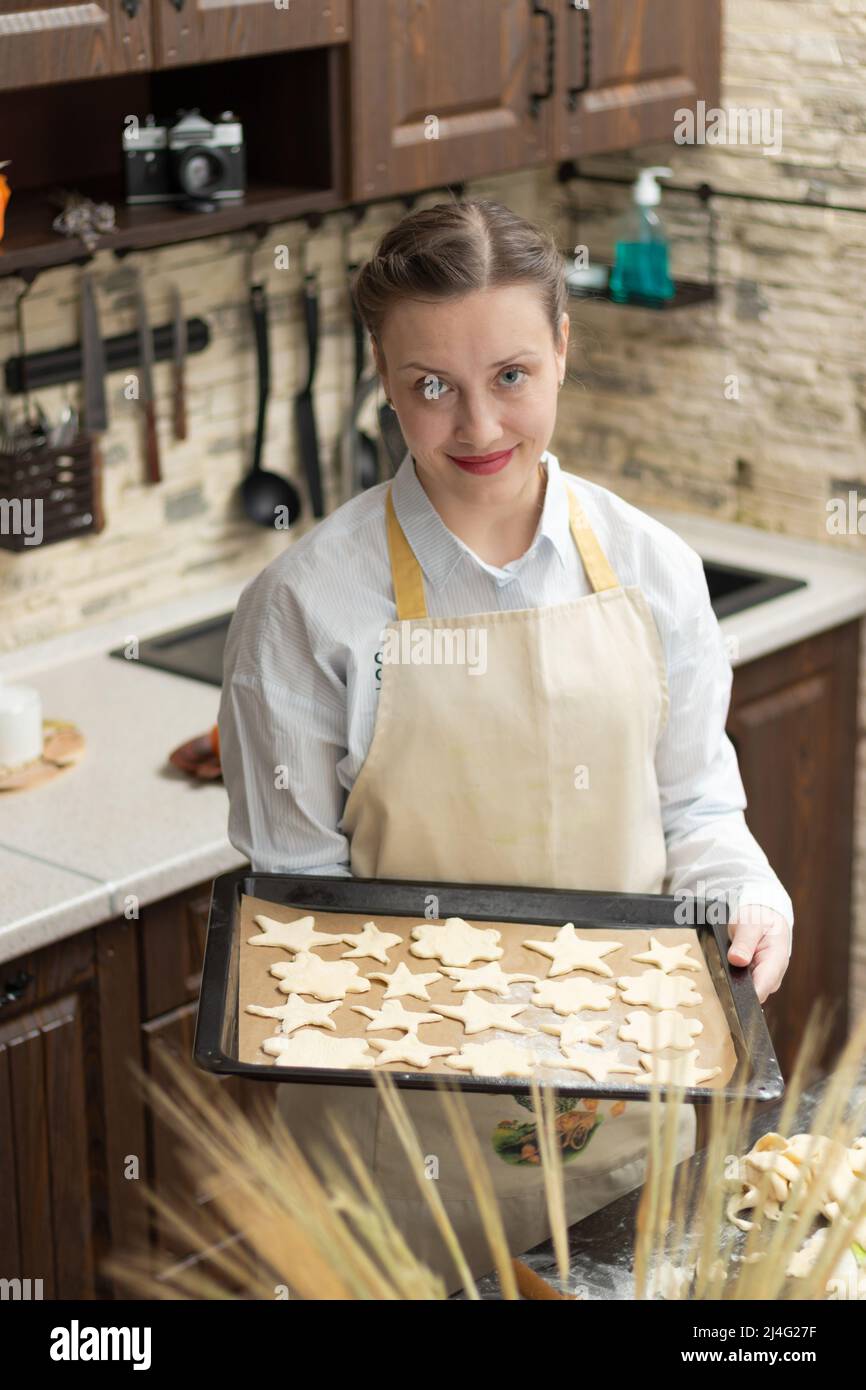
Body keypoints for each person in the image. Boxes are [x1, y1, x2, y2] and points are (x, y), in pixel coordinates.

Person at [218, 198, 793, 1294]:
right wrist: (505, 1026)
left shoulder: (651, 567)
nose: (477, 426)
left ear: (564, 349)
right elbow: (299, 914)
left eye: (511, 376)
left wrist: (748, 895)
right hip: (397, 1143)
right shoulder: (302, 607)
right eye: (430, 385)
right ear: (383, 378)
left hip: (627, 1120)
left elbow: (696, 812)